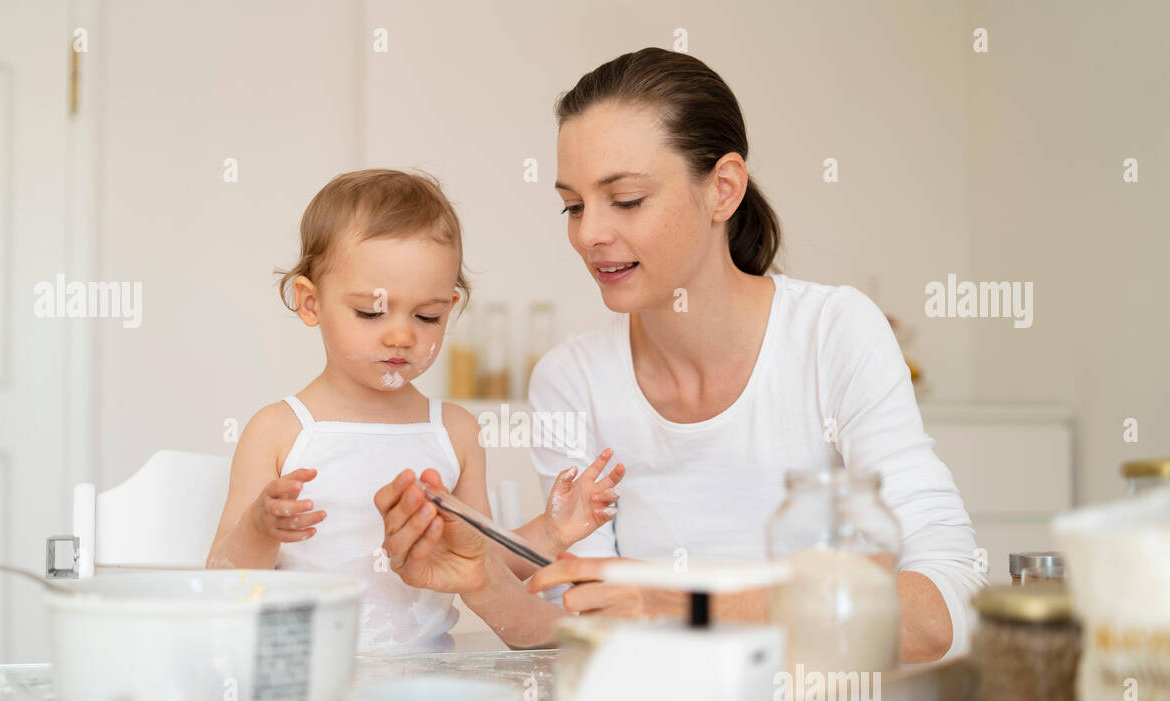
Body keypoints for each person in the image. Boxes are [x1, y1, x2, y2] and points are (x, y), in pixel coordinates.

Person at [374, 49, 986, 662]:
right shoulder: (572, 379)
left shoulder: (834, 333)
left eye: (628, 199)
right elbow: (579, 619)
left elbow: (942, 610)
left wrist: (684, 603)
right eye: (574, 204)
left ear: (723, 190)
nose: (589, 234)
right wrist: (478, 574)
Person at [206, 169, 623, 653]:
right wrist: (259, 528)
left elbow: (482, 564)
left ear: (451, 306)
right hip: (307, 682)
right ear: (309, 301)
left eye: (427, 317)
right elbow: (222, 581)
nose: (402, 335)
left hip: (423, 686)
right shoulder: (278, 431)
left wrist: (552, 531)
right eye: (371, 312)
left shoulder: (455, 432)